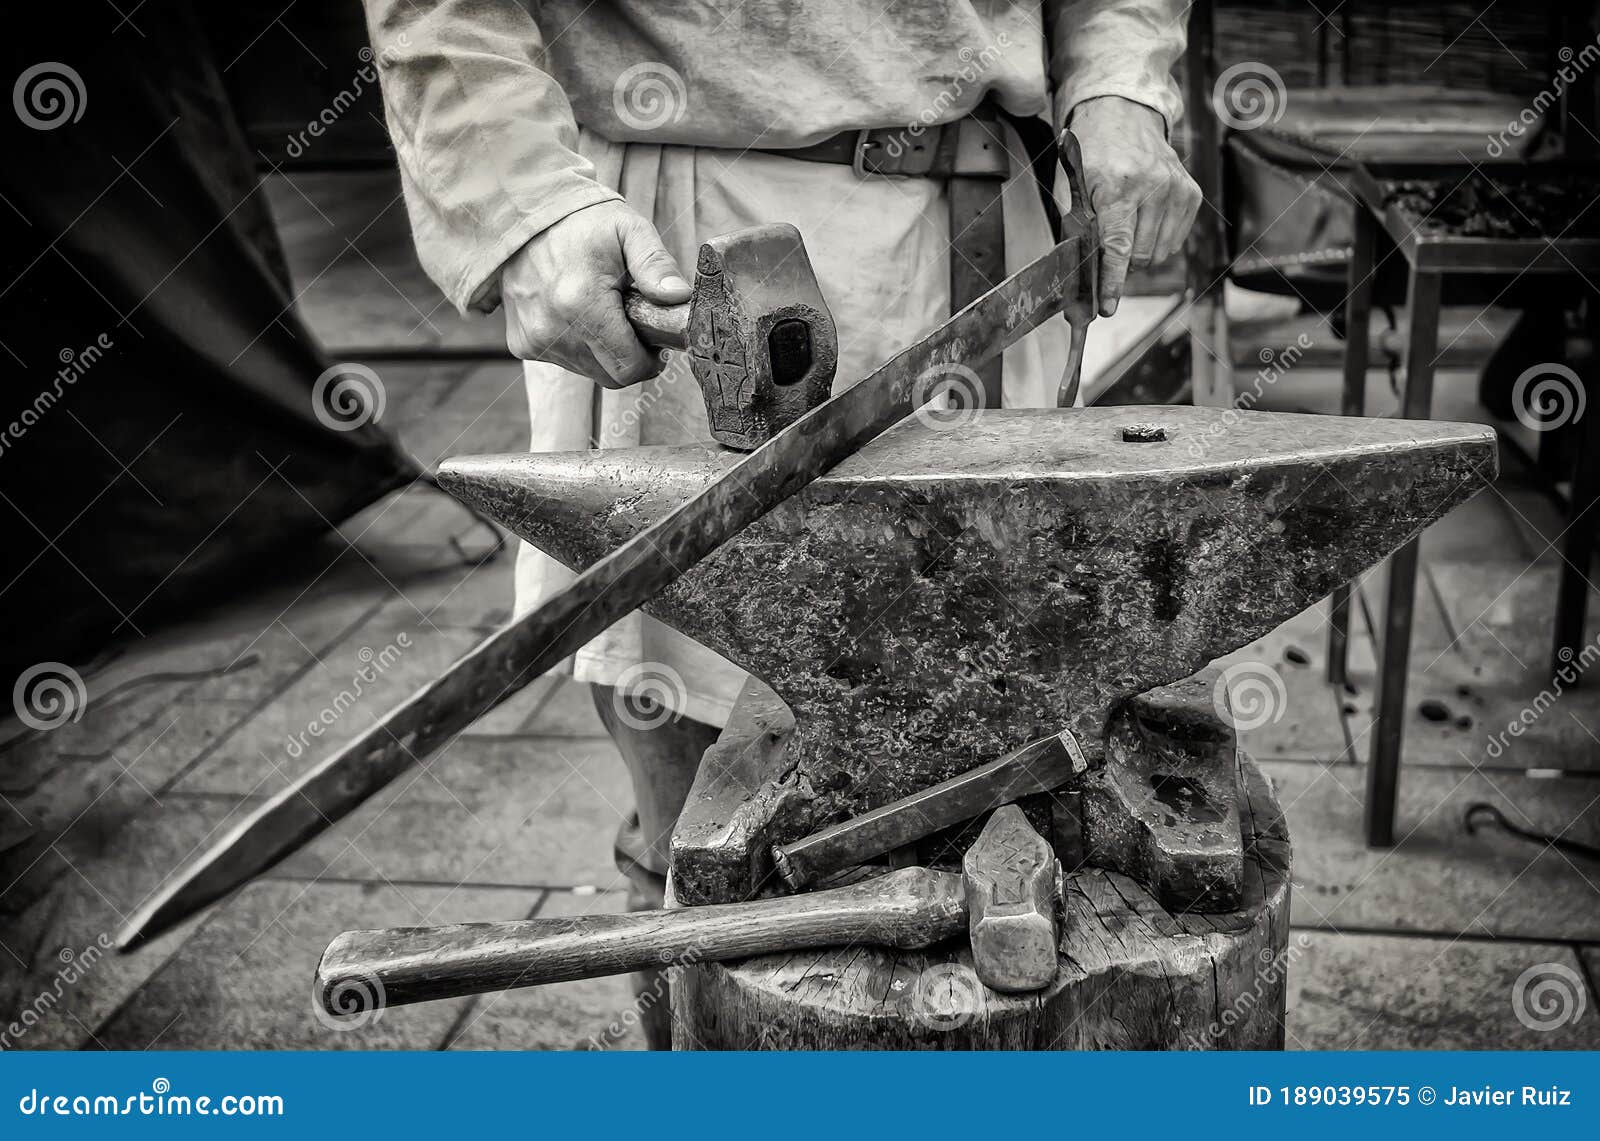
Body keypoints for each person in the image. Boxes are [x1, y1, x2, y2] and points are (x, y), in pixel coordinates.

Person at [360, 0, 1201, 1047]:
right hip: (686, 231)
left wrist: (1121, 87)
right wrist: (519, 198)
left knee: (995, 732)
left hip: (993, 234)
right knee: (694, 788)